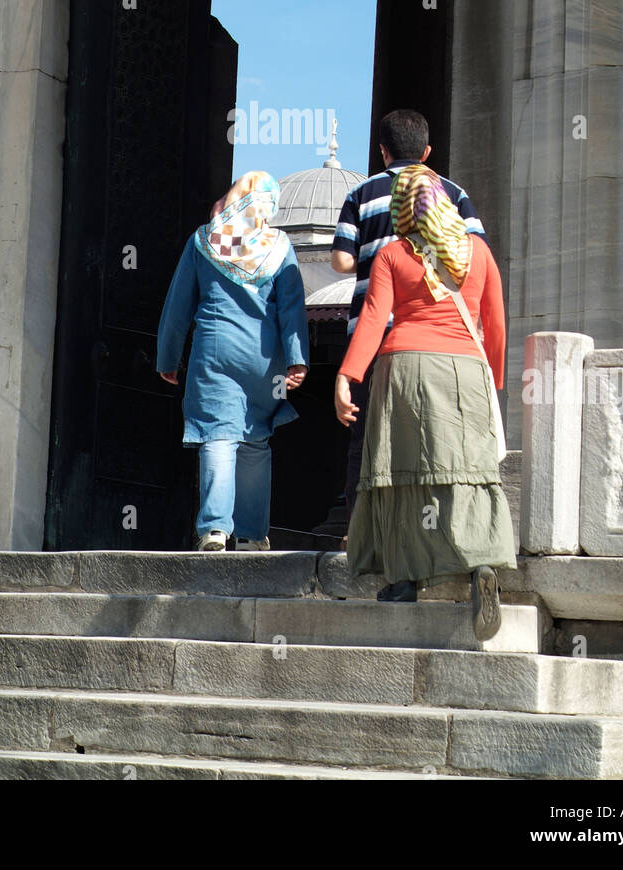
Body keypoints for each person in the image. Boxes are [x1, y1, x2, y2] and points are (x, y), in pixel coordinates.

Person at [334, 163, 515, 639]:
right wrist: (491, 379)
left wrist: (347, 376)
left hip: (405, 367)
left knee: (403, 475)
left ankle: (404, 581)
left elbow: (374, 319)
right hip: (465, 370)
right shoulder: (478, 252)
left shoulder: (394, 253)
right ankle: (481, 567)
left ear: (401, 209)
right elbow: (494, 321)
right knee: (471, 469)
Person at [331, 110, 486, 522]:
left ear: (382, 151)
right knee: (430, 435)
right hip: (437, 332)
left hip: (373, 331)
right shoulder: (453, 192)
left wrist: (373, 257)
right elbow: (472, 258)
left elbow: (342, 260)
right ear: (428, 151)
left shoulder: (361, 194)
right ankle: (431, 526)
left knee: (364, 438)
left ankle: (358, 529)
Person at [156, 171, 309, 552]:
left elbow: (178, 307)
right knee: (256, 440)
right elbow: (291, 309)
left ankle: (214, 530)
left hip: (214, 352)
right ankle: (253, 535)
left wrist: (168, 357)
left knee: (218, 437)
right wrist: (297, 360)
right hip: (264, 358)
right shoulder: (279, 245)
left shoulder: (204, 240)